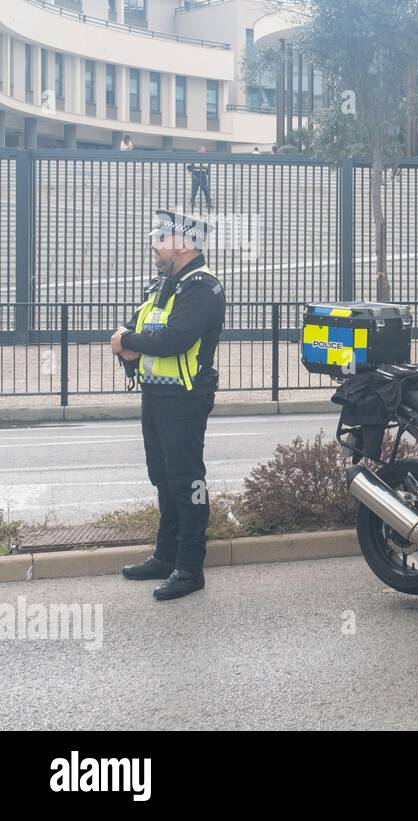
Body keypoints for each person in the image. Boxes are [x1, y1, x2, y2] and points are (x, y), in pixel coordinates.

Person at [113, 211, 226, 600]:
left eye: (160, 239)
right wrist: (126, 347)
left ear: (184, 244)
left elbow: (175, 339)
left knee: (187, 480)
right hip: (156, 394)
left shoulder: (203, 288)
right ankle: (166, 556)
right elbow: (136, 330)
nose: (154, 245)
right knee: (162, 476)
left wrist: (128, 340)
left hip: (185, 397)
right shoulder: (162, 285)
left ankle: (190, 567)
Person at [186, 146, 212, 212]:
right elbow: (188, 166)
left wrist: (207, 175)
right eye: (203, 150)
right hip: (196, 174)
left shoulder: (206, 158)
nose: (204, 152)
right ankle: (192, 202)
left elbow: (207, 168)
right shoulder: (194, 157)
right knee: (194, 189)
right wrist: (192, 174)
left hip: (203, 175)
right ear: (199, 151)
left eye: (205, 150)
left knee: (206, 189)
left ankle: (208, 203)